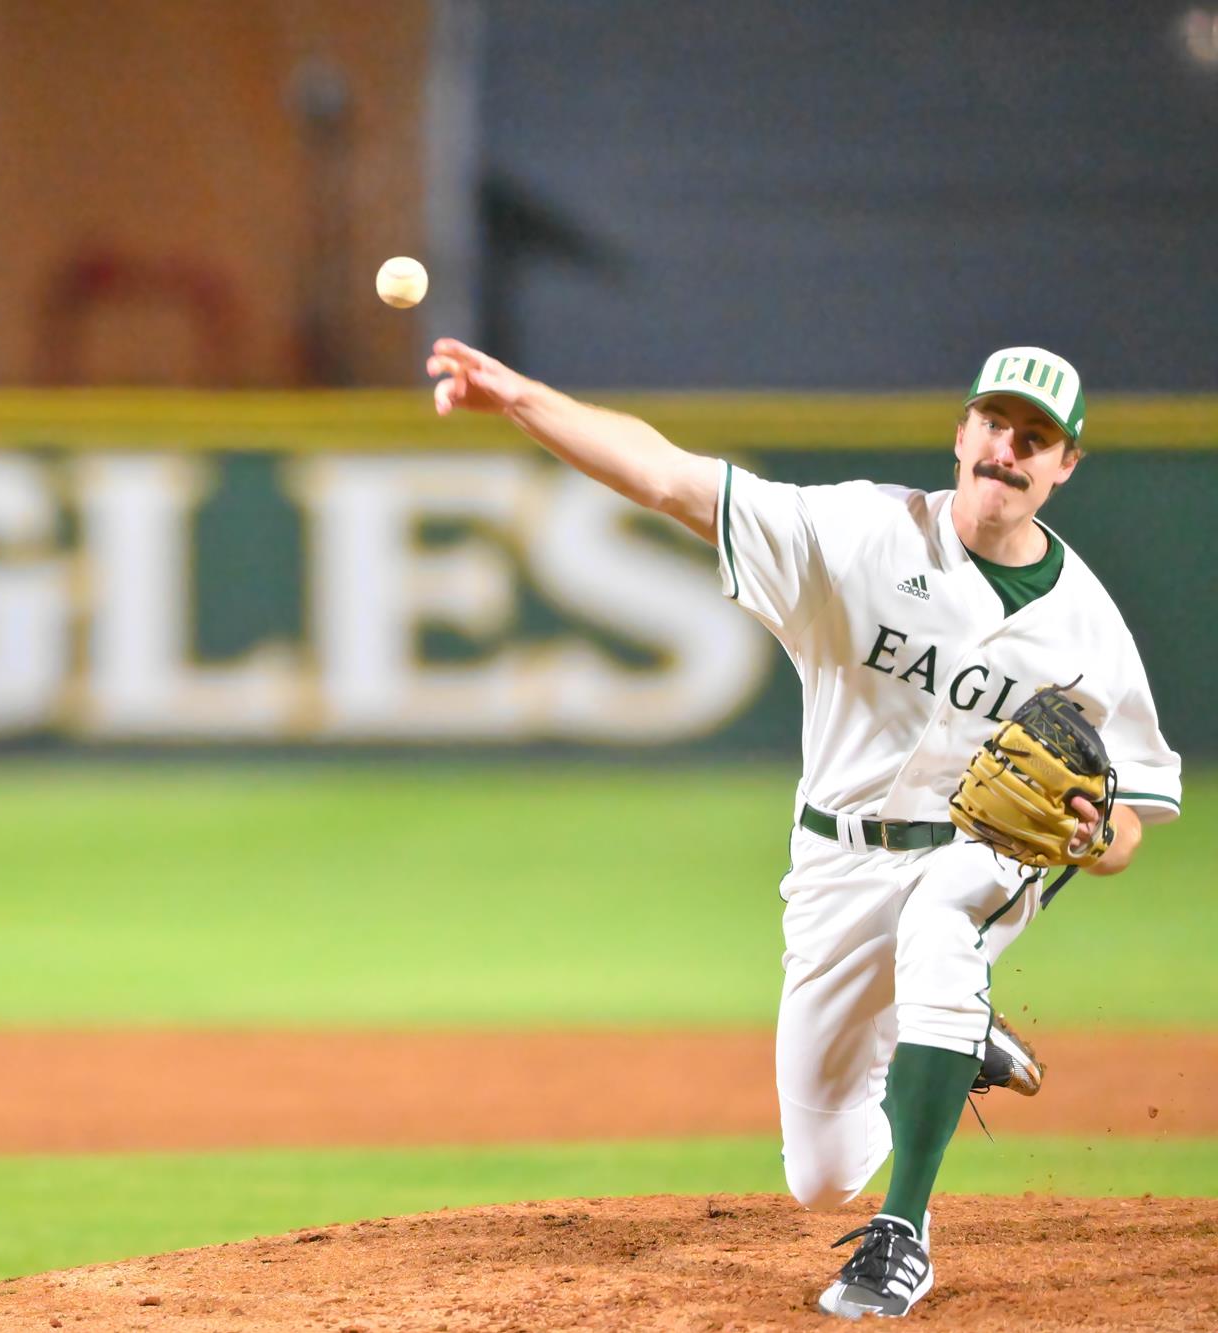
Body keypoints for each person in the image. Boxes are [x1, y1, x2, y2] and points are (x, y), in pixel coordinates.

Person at [427, 340, 1182, 1319]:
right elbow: (667, 480)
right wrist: (519, 395)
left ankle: (900, 1235)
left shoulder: (1089, 632)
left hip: (974, 857)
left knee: (943, 925)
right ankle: (950, 1045)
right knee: (818, 1175)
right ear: (959, 432)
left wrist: (1087, 838)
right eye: (994, 423)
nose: (1007, 448)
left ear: (1063, 464)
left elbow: (1126, 825)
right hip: (835, 860)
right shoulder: (856, 535)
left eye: (1034, 437)